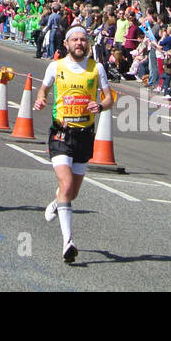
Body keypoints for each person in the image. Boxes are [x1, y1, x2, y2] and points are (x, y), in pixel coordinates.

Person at [32, 25, 112, 264]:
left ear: (88, 43)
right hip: (61, 133)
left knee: (71, 193)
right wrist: (41, 100)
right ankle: (68, 242)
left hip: (85, 135)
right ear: (66, 43)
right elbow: (43, 91)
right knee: (66, 184)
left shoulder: (96, 68)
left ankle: (58, 202)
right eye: (75, 40)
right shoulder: (56, 67)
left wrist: (100, 106)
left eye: (83, 40)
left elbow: (109, 97)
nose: (79, 43)